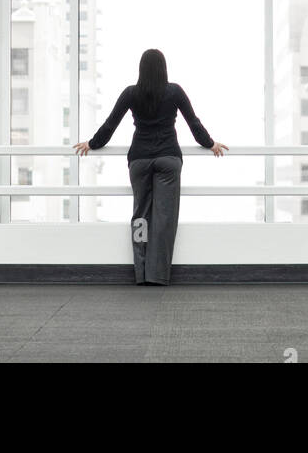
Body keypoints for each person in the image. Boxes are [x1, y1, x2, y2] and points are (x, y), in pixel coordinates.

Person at [74, 48, 227, 286]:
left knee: (141, 216)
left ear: (141, 69)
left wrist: (91, 144)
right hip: (168, 160)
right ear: (163, 68)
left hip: (140, 161)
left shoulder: (131, 93)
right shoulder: (174, 91)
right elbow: (193, 123)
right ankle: (158, 275)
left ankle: (141, 272)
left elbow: (110, 125)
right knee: (165, 218)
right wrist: (211, 144)